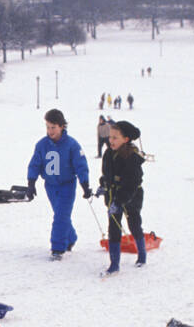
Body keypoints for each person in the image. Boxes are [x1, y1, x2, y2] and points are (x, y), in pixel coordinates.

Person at [26, 109, 90, 260]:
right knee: (61, 214)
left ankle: (57, 248)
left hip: (67, 185)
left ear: (62, 126)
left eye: (53, 127)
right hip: (50, 186)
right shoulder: (42, 145)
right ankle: (71, 237)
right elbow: (34, 164)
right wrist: (31, 183)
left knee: (61, 216)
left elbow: (81, 166)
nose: (50, 131)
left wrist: (85, 185)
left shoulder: (72, 145)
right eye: (47, 127)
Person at [98, 120, 146, 274]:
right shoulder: (108, 153)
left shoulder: (132, 158)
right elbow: (107, 174)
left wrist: (120, 202)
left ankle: (142, 254)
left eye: (115, 138)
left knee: (133, 224)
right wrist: (103, 185)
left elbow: (132, 183)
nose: (110, 140)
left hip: (131, 196)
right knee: (113, 228)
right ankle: (114, 264)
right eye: (110, 137)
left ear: (126, 139)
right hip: (113, 195)